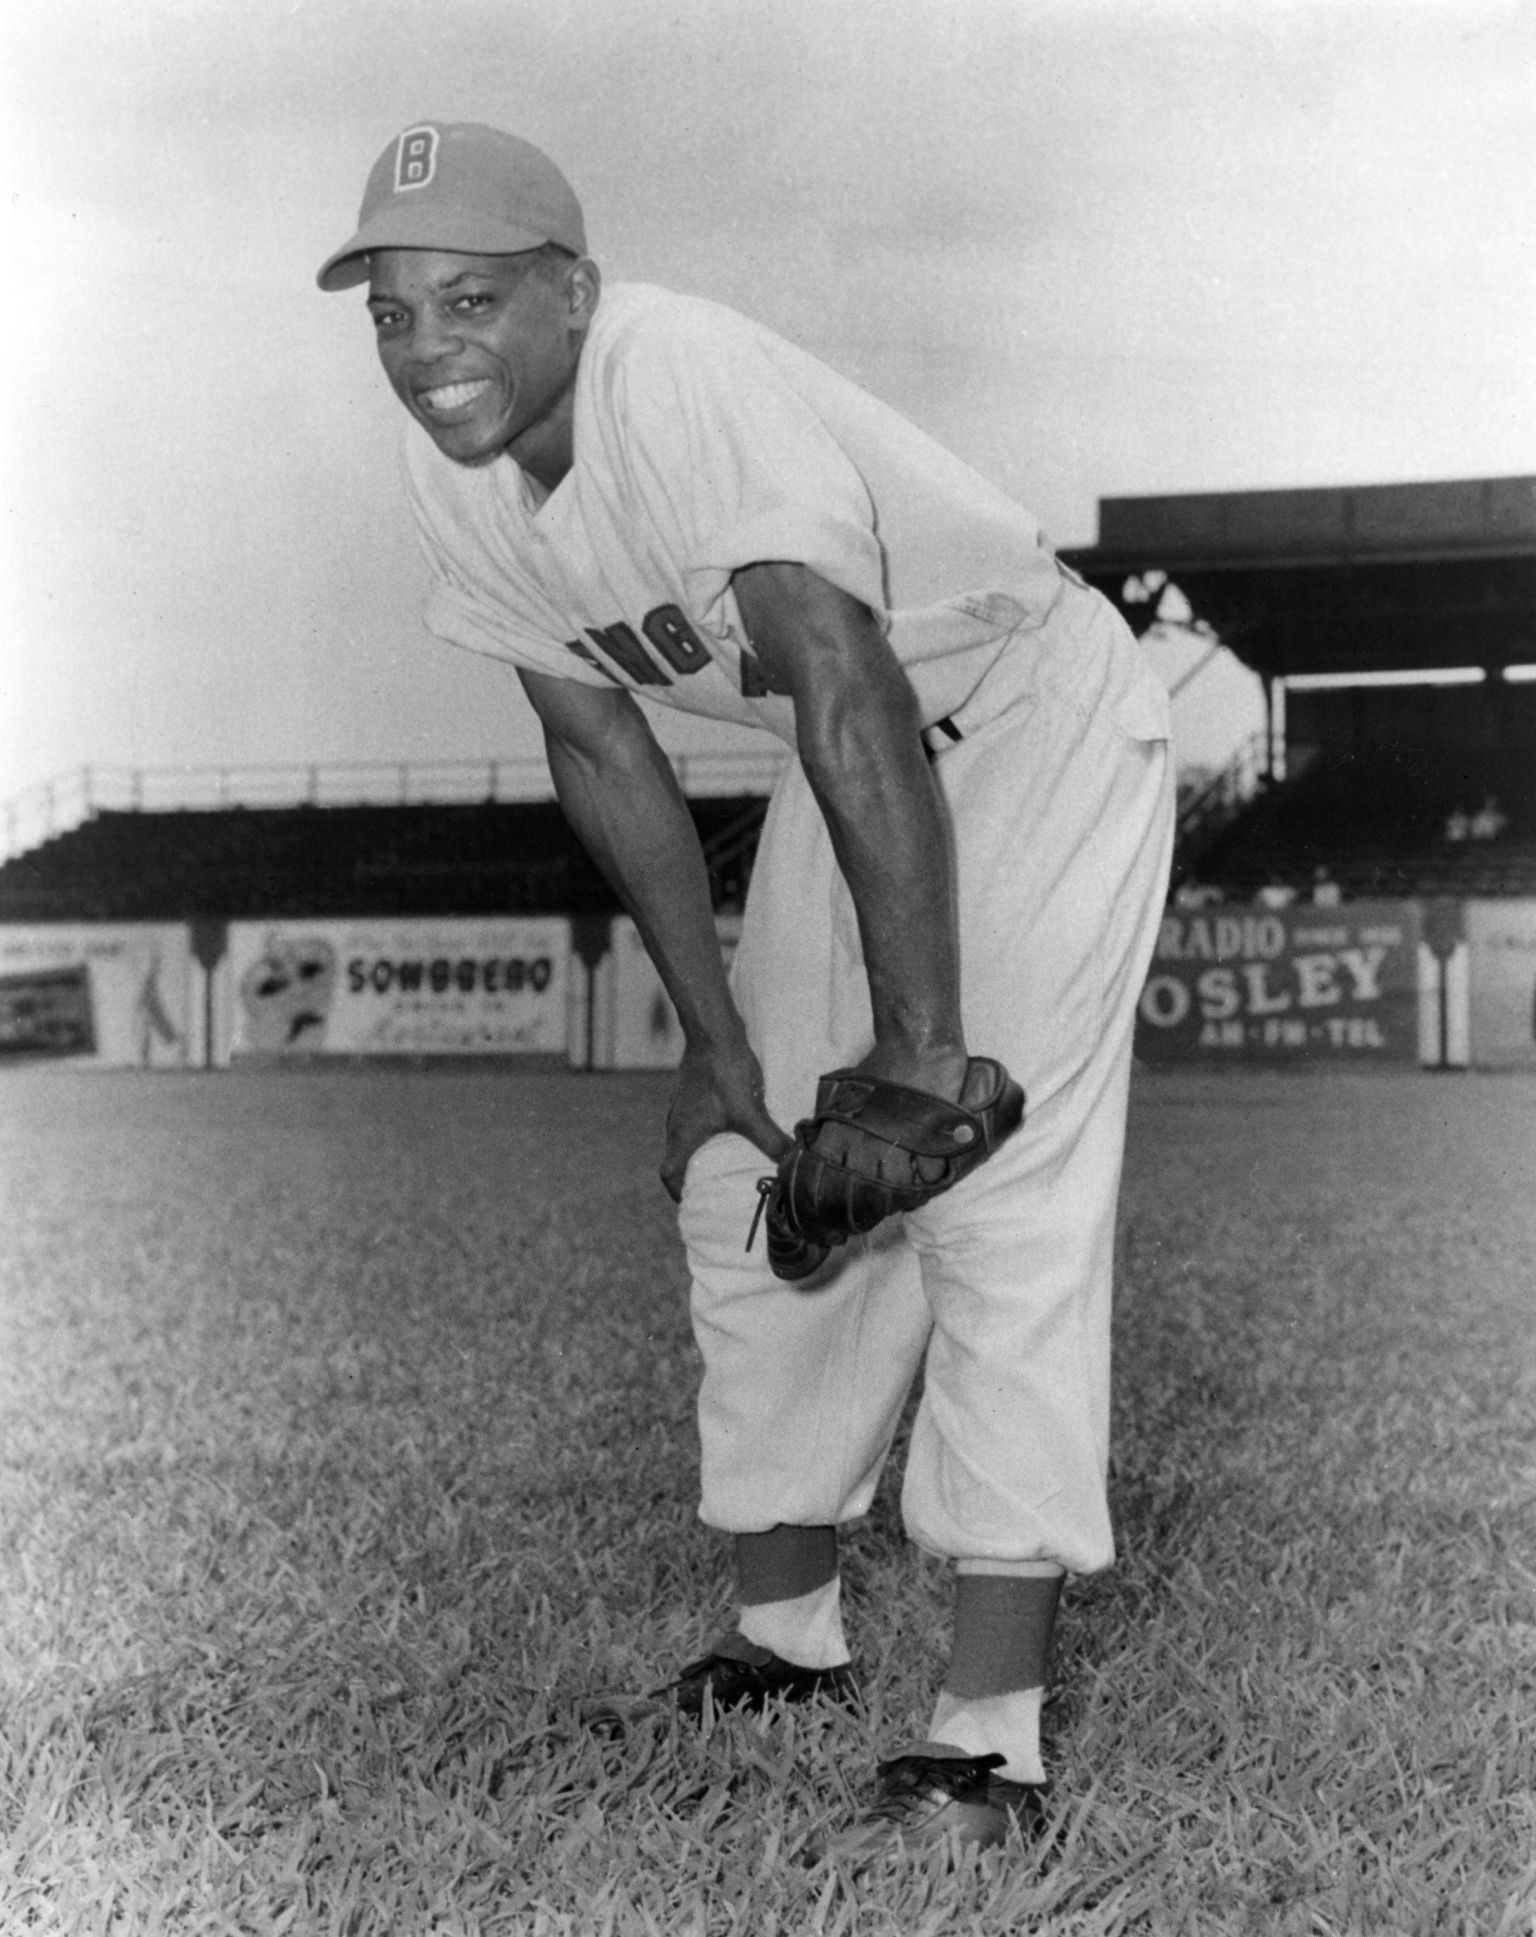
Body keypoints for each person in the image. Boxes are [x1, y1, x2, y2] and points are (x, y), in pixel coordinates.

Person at [319, 122, 1174, 1861]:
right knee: (745, 1168)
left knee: (984, 1185)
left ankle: (988, 1739)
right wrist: (716, 1043)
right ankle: (786, 1643)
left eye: (471, 300)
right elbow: (597, 746)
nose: (426, 349)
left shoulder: (674, 373)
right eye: (394, 313)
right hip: (846, 757)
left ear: (574, 290)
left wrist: (923, 1045)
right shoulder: (459, 469)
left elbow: (842, 667)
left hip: (1023, 711)